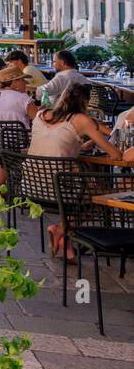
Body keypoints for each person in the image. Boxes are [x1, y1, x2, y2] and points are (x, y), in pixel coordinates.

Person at [29, 84, 134, 260]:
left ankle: (66, 239)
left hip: (33, 184)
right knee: (105, 197)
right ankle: (62, 229)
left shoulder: (41, 114)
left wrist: (88, 142)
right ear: (85, 102)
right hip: (59, 186)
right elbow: (116, 154)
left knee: (93, 188)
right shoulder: (81, 120)